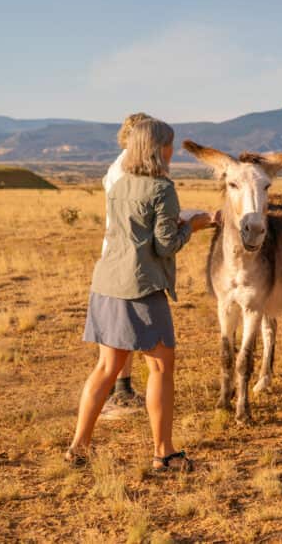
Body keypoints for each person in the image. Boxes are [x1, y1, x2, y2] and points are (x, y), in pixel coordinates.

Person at [65, 118, 213, 471]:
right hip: (141, 288)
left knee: (106, 367)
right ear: (157, 149)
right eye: (169, 145)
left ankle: (78, 448)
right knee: (161, 366)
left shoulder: (119, 184)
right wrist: (192, 226)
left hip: (105, 283)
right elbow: (165, 247)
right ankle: (164, 454)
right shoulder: (162, 189)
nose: (172, 152)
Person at [100, 112, 151, 415]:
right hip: (125, 257)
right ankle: (114, 393)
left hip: (120, 254)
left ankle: (121, 388)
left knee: (123, 326)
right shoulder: (127, 169)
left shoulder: (120, 166)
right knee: (120, 327)